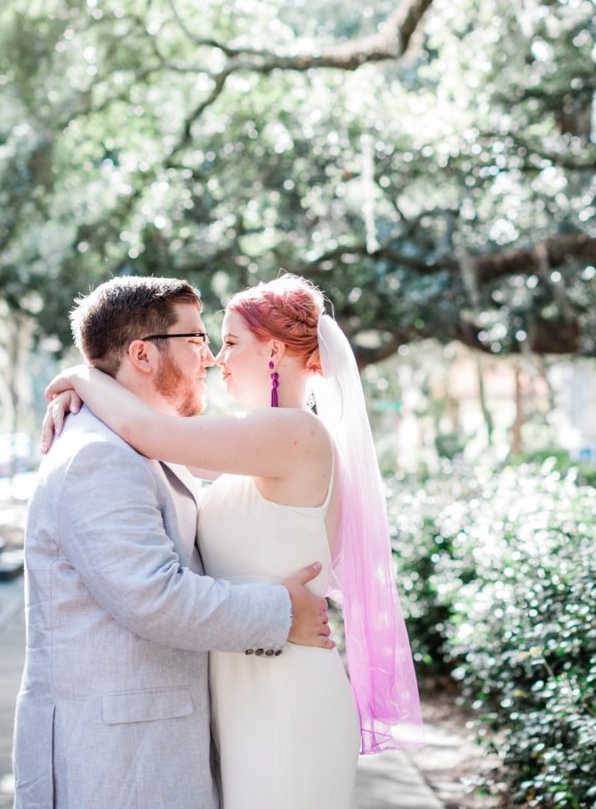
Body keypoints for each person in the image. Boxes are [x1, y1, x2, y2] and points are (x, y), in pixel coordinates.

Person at [41, 273, 421, 809]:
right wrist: (92, 385)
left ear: (274, 350)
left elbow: (153, 433)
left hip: (284, 689)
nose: (218, 359)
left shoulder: (295, 433)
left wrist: (82, 377)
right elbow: (156, 438)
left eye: (231, 343)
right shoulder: (252, 437)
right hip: (248, 681)